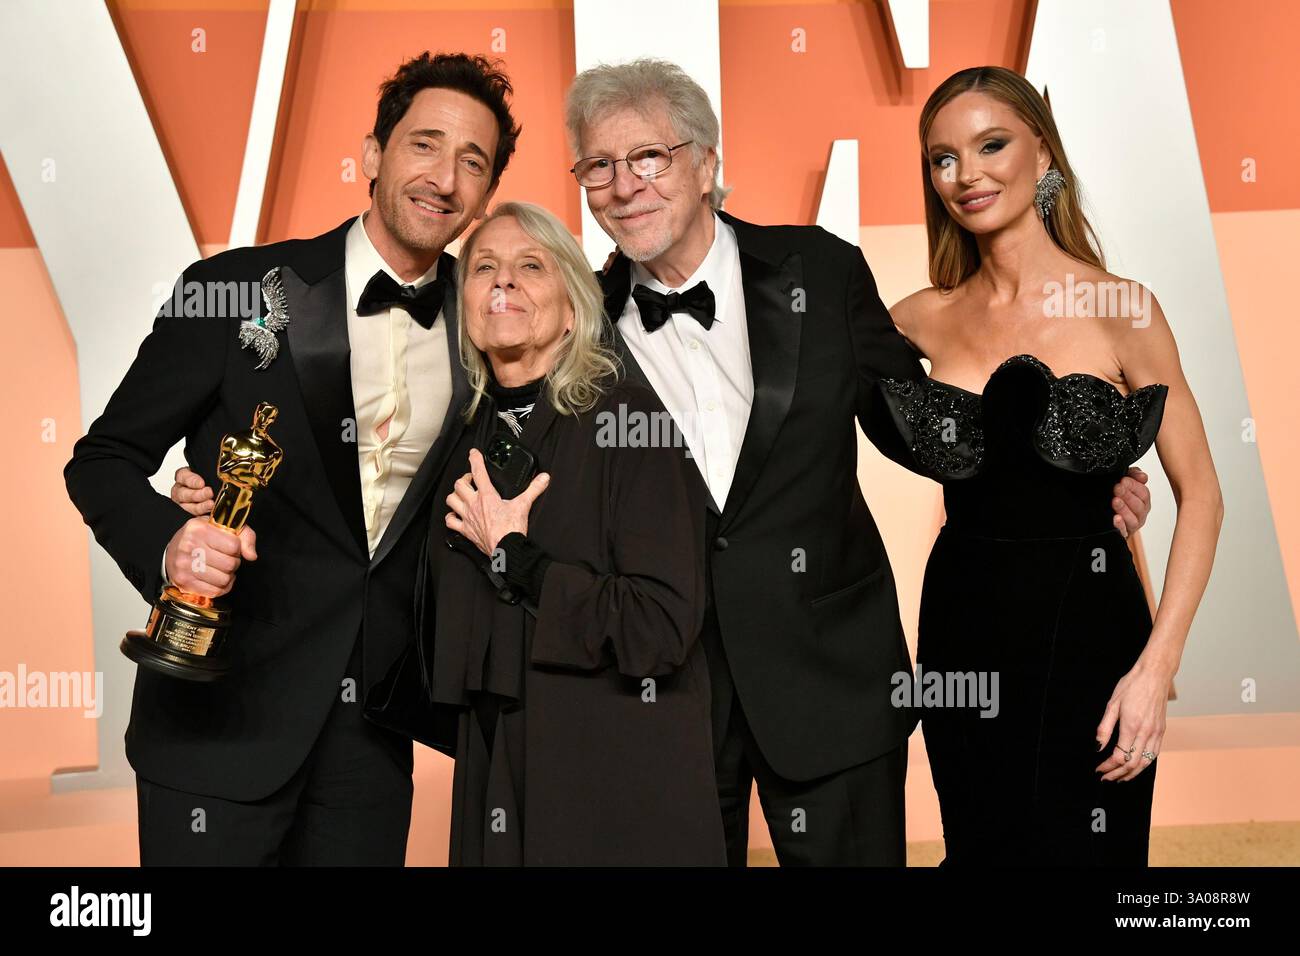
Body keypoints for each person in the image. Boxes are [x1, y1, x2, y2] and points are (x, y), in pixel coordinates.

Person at [566, 58, 1154, 865]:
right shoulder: (573, 327)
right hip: (659, 695)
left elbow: (920, 424)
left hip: (831, 688)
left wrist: (1070, 478)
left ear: (706, 165)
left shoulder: (821, 272)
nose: (623, 184)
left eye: (649, 158)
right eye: (598, 165)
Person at [66, 51, 519, 865]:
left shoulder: (487, 321)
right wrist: (171, 540)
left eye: (473, 161)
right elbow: (101, 458)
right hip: (217, 718)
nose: (445, 177)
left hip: (372, 740)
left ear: (485, 194)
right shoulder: (237, 291)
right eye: (424, 144)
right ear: (374, 155)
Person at [879, 66, 1223, 865]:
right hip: (962, 630)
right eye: (943, 159)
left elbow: (1202, 493)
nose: (967, 175)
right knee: (979, 849)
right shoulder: (918, 319)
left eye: (991, 144)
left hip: (1092, 635)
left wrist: (1154, 670)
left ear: (1042, 151)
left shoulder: (1121, 308)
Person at [430, 201, 724, 865]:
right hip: (498, 777)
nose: (502, 282)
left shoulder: (629, 423)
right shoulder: (460, 438)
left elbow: (662, 623)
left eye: (530, 266)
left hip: (614, 785)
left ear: (573, 306)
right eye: (483, 268)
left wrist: (519, 560)